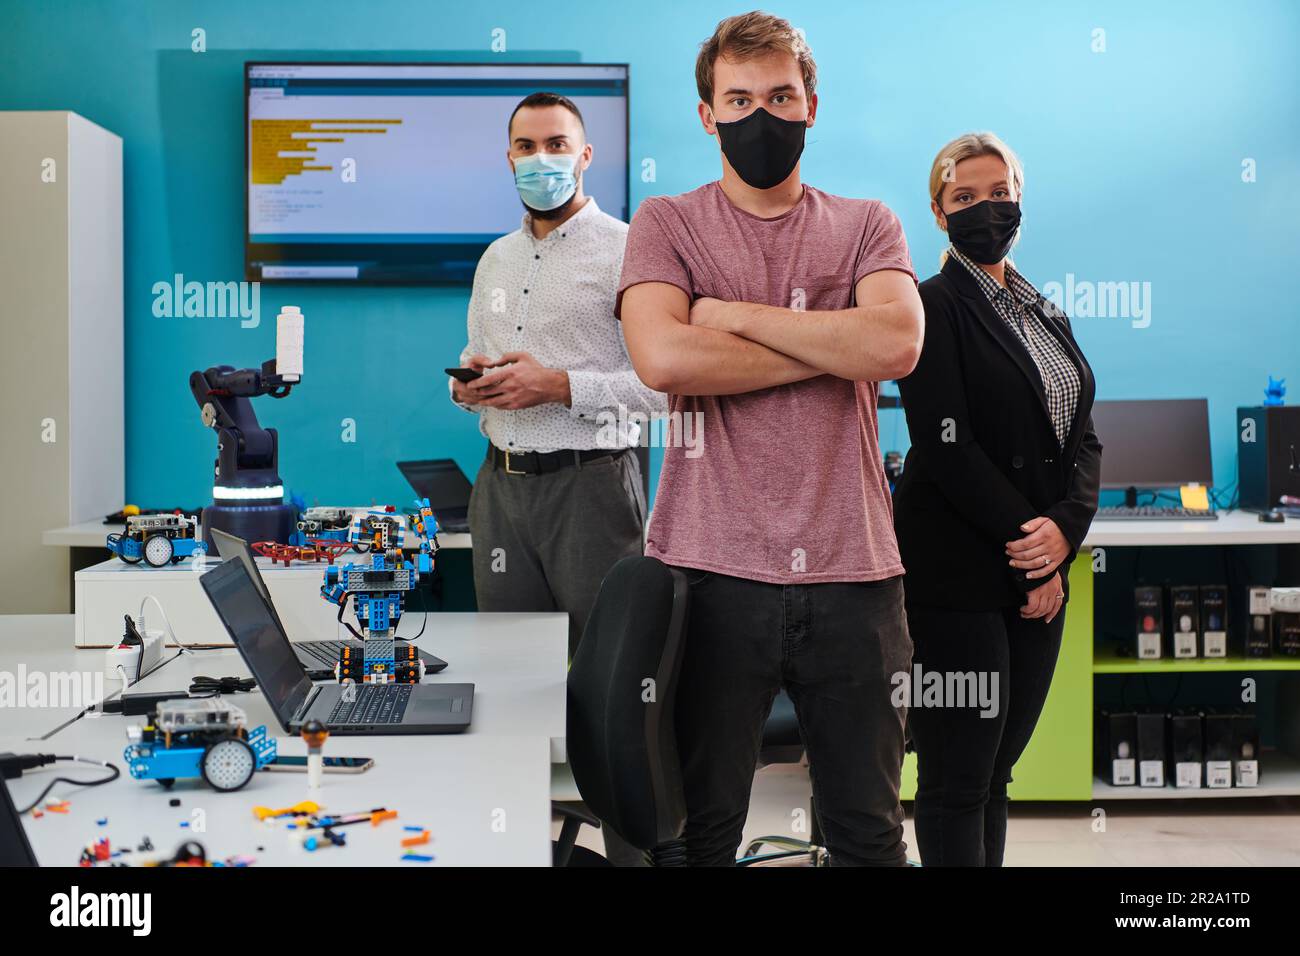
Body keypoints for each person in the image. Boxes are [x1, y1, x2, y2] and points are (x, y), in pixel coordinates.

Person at [617, 11, 924, 866]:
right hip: (708, 573)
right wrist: (830, 342)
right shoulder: (666, 223)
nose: (763, 115)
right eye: (740, 98)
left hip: (856, 576)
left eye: (781, 95)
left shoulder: (868, 223)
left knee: (868, 835)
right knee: (699, 833)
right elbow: (664, 357)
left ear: (812, 104)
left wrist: (731, 320)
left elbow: (896, 345)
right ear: (708, 114)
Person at [451, 91, 666, 865]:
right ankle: (512, 851)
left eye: (556, 143)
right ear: (508, 157)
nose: (540, 158)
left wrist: (562, 386)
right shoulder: (495, 259)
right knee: (508, 695)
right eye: (525, 145)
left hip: (594, 490)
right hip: (501, 491)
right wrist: (468, 385)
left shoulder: (632, 250)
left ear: (585, 154)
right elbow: (481, 357)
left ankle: (632, 857)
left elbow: (669, 386)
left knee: (618, 699)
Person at [892, 132, 1102, 866]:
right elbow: (948, 446)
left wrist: (1064, 537)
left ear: (1021, 198)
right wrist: (1034, 554)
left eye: (1000, 193)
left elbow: (1085, 441)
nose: (986, 209)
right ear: (937, 209)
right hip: (956, 582)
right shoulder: (931, 305)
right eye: (964, 198)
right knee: (956, 779)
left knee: (997, 774)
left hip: (1038, 576)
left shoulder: (1042, 309)